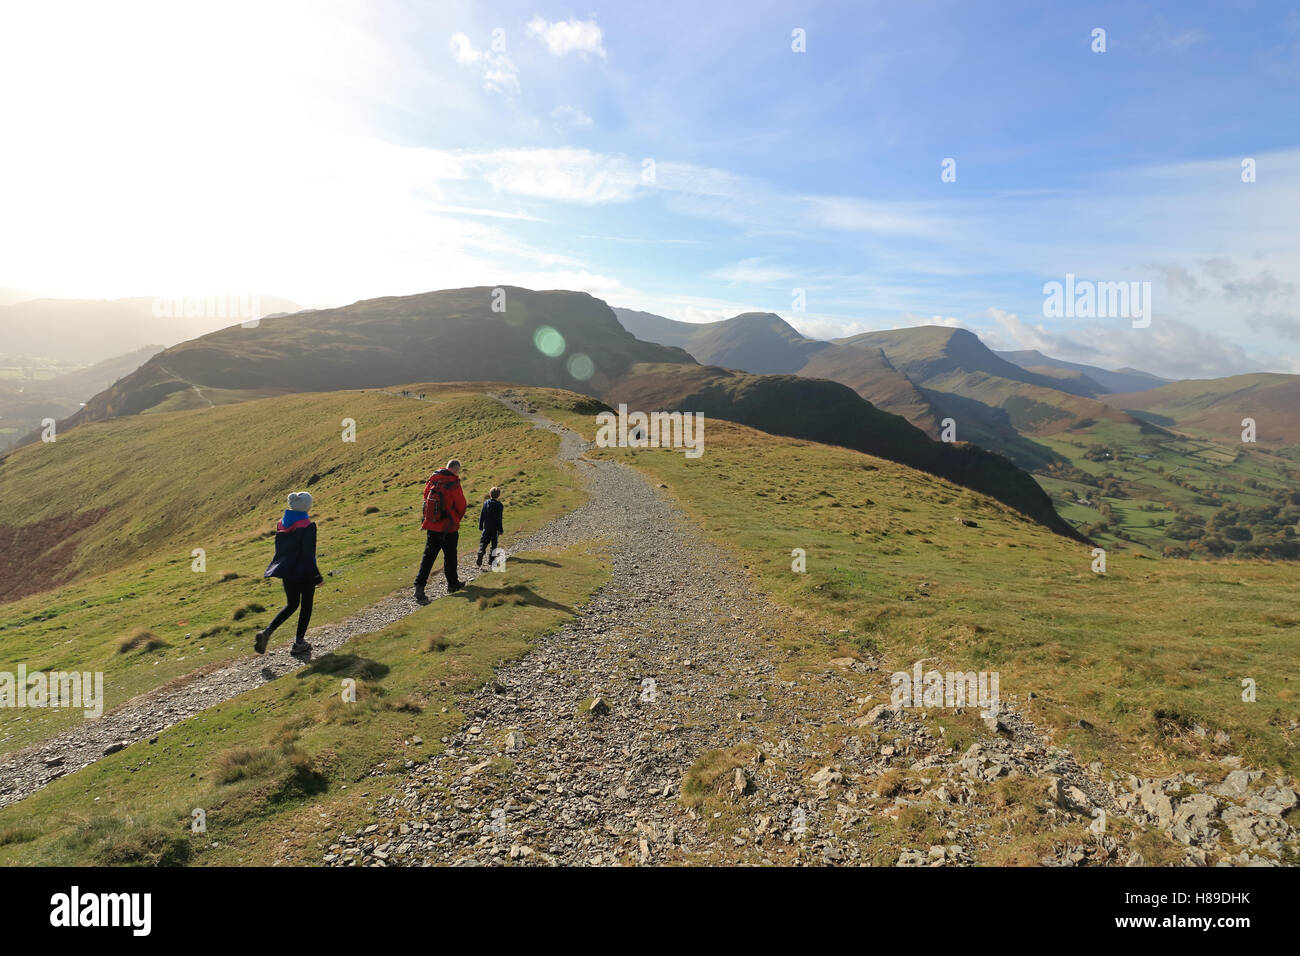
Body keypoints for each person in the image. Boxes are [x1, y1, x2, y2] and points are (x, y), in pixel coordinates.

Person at [256, 491, 324, 656]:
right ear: (307, 506)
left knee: (292, 604)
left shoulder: (281, 524)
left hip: (287, 571)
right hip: (304, 571)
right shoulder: (307, 525)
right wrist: (316, 576)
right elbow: (308, 554)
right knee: (306, 605)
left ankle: (268, 632)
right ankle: (299, 643)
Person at [414, 458, 468, 601]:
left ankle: (419, 588)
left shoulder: (433, 480)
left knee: (428, 558)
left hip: (432, 526)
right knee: (450, 557)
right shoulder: (454, 484)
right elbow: (462, 505)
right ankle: (452, 584)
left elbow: (426, 498)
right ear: (456, 469)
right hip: (448, 528)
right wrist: (456, 518)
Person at [476, 486, 505, 568]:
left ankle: (481, 552)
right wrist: (500, 529)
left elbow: (482, 515)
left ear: (490, 494)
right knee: (494, 544)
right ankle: (491, 560)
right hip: (495, 528)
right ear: (499, 495)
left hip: (487, 527)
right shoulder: (500, 505)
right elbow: (499, 518)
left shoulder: (486, 503)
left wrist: (480, 525)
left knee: (484, 541)